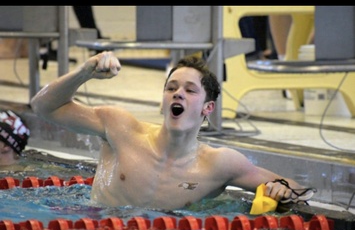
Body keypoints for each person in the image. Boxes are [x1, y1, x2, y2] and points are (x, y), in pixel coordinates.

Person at [30, 53, 315, 210]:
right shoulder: (120, 127)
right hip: (93, 227)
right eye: (171, 88)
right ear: (163, 100)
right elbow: (43, 106)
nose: (178, 94)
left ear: (208, 108)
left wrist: (281, 191)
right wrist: (84, 72)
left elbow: (299, 190)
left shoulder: (219, 164)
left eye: (190, 90)